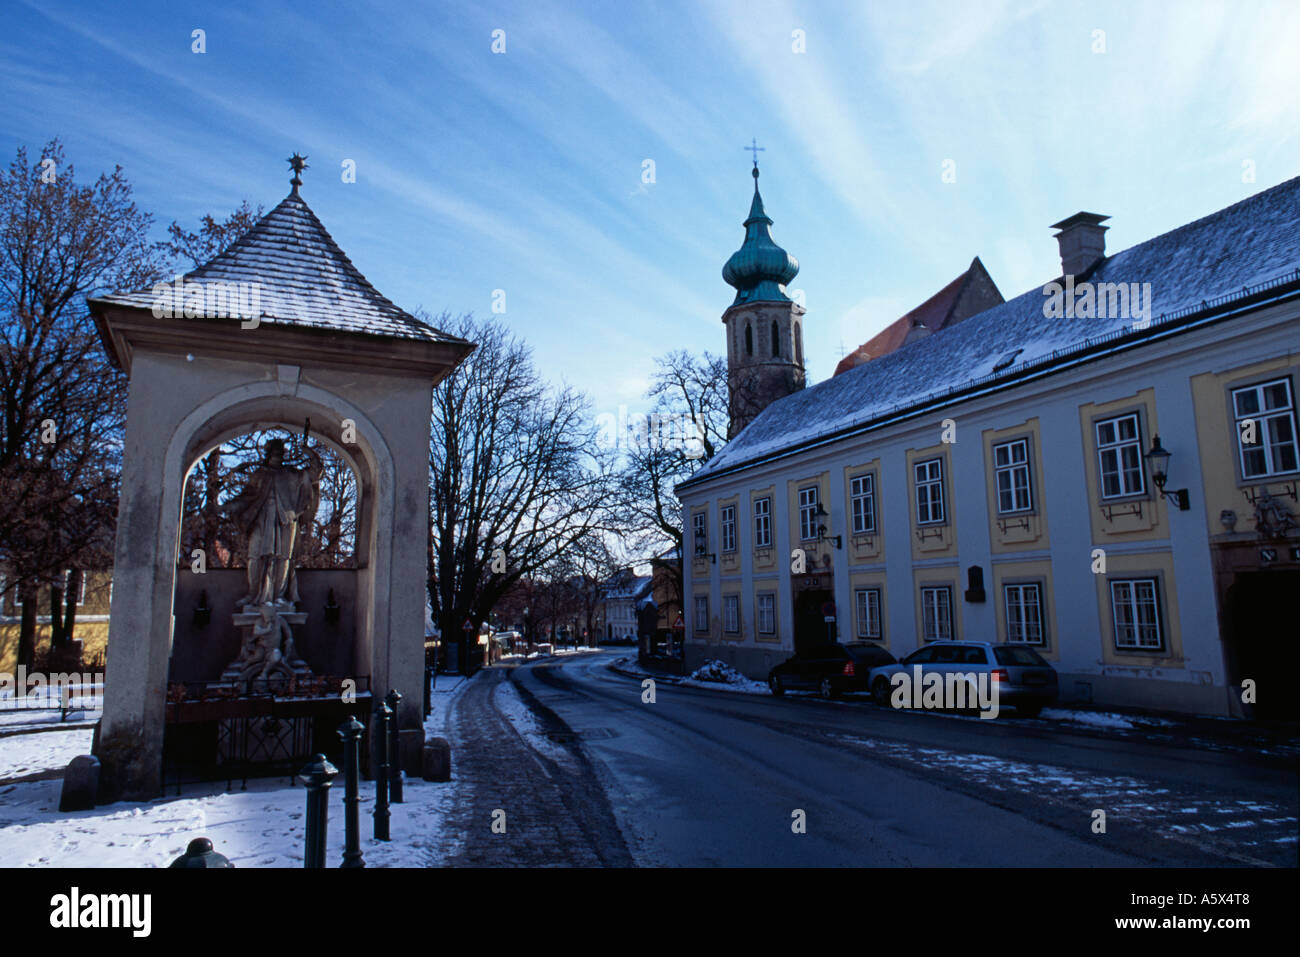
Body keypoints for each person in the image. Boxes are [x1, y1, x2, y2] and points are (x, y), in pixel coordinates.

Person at [226, 437, 323, 607]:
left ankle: (278, 596)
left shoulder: (292, 474)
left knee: (284, 558)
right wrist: (224, 507)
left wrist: (309, 452)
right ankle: (253, 594)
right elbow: (245, 498)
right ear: (268, 454)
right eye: (275, 453)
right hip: (261, 518)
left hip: (286, 518)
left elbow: (315, 472)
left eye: (281, 453)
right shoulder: (259, 474)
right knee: (255, 556)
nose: (279, 456)